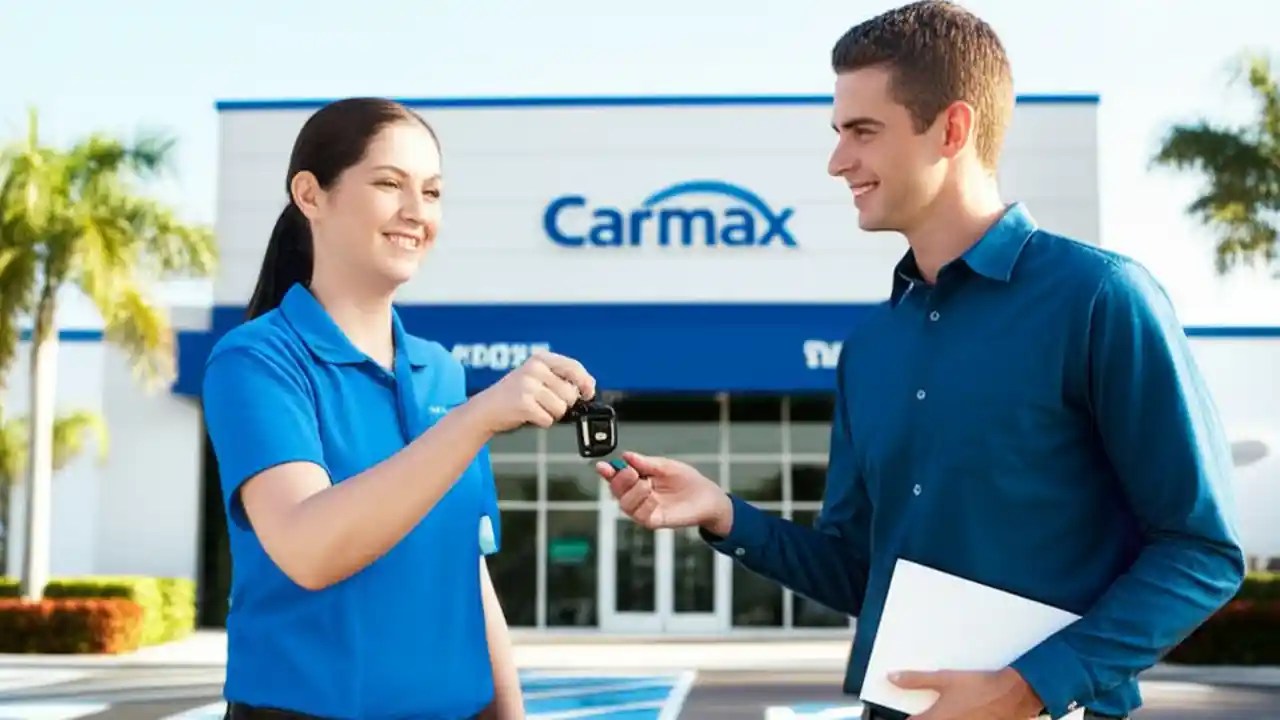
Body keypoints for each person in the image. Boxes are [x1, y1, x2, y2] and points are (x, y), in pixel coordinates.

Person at [596, 3, 1246, 719]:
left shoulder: (1099, 299)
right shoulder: (871, 348)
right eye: (839, 134)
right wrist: (724, 514)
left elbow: (1201, 552)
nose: (838, 161)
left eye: (863, 131)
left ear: (952, 129)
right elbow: (858, 572)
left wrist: (1026, 687)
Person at [202, 97, 597, 720]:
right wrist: (475, 419)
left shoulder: (440, 371)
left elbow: (469, 573)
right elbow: (309, 549)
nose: (417, 211)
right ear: (310, 195)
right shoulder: (256, 360)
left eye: (432, 192)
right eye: (389, 184)